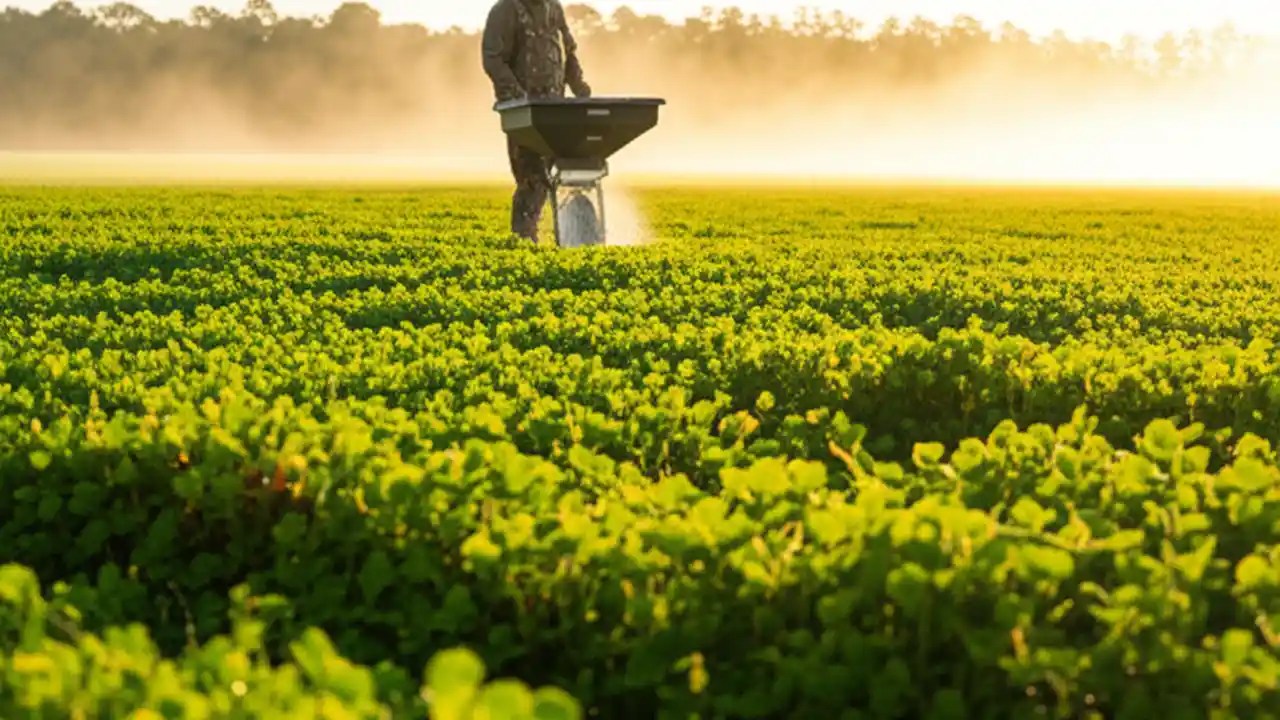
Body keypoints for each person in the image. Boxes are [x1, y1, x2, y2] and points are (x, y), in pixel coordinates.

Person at [482, 0, 592, 243]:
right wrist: (515, 95)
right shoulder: (506, 10)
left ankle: (575, 239)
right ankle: (524, 242)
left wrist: (580, 88)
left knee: (565, 178)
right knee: (532, 180)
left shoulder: (554, 9)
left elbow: (569, 52)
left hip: (556, 113)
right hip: (523, 115)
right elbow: (493, 58)